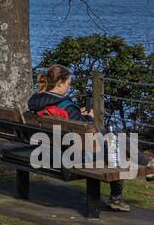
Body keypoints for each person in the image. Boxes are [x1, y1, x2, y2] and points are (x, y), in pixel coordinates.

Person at [28, 64, 129, 212]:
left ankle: (145, 163)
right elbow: (85, 131)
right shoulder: (67, 106)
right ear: (60, 83)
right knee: (115, 148)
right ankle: (116, 198)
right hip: (69, 156)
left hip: (45, 151)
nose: (68, 88)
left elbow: (67, 122)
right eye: (68, 84)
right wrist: (88, 117)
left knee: (109, 141)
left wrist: (79, 115)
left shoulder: (35, 101)